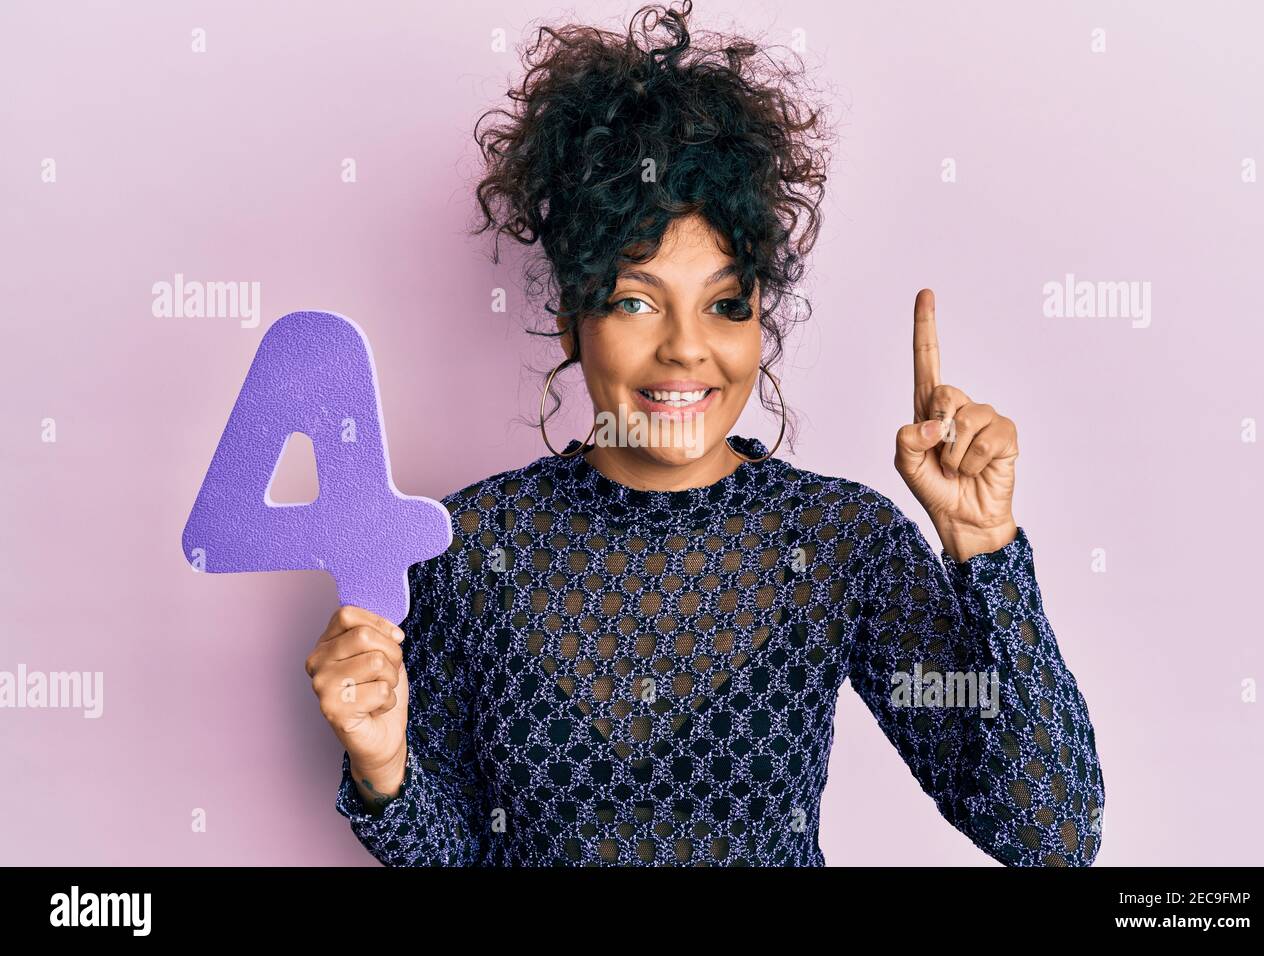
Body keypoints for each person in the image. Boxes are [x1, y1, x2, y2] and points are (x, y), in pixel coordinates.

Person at [304, 1, 1104, 866]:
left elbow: (1051, 837)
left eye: (726, 304)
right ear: (574, 318)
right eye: (635, 300)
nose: (686, 347)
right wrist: (382, 765)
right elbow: (451, 856)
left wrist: (986, 548)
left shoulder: (840, 545)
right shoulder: (467, 550)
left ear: (761, 321)